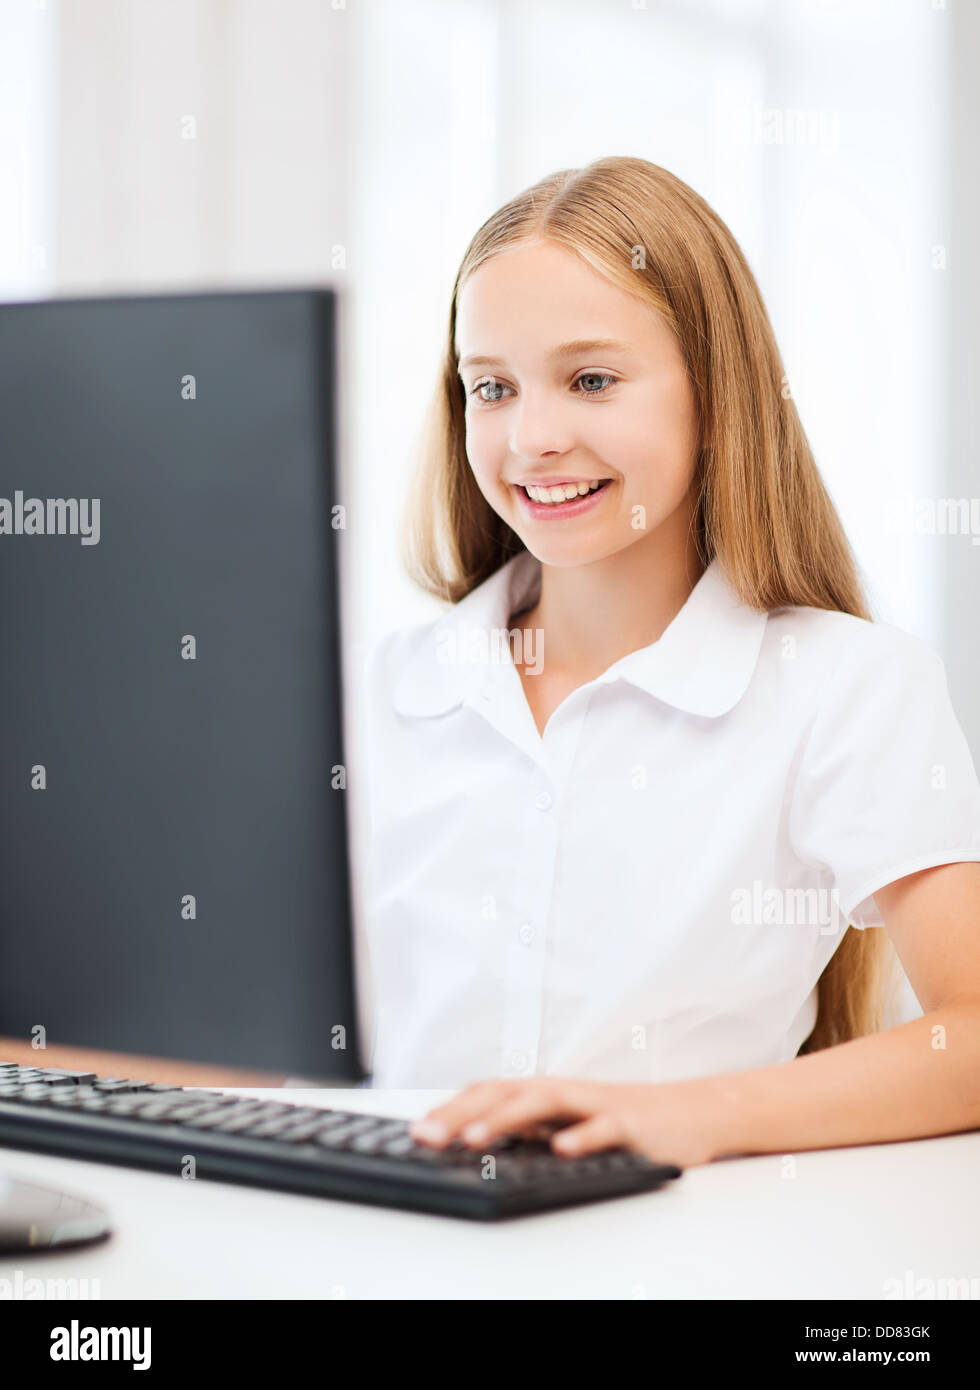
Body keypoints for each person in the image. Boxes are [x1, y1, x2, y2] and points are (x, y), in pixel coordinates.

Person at [353, 156, 980, 1167]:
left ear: (715, 392)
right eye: (491, 387)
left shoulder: (846, 688)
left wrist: (680, 1118)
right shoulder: (382, 691)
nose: (532, 437)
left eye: (590, 379)